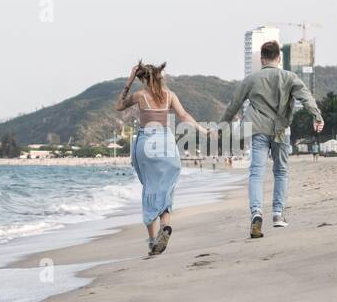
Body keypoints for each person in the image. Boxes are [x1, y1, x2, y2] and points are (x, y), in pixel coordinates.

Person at [220, 39, 324, 238]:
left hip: (258, 129)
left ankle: (257, 212)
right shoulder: (290, 77)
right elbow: (306, 97)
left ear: (262, 59)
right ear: (279, 57)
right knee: (281, 172)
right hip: (281, 130)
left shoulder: (251, 79)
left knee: (256, 173)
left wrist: (222, 125)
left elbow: (234, 105)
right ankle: (277, 214)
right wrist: (317, 116)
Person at [116, 60, 203, 256]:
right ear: (160, 78)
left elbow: (119, 106)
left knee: (150, 188)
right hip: (166, 144)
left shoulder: (140, 96)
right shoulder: (170, 96)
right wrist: (204, 130)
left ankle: (153, 240)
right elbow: (184, 115)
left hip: (146, 144)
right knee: (166, 188)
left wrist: (129, 80)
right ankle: (165, 226)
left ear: (143, 80)